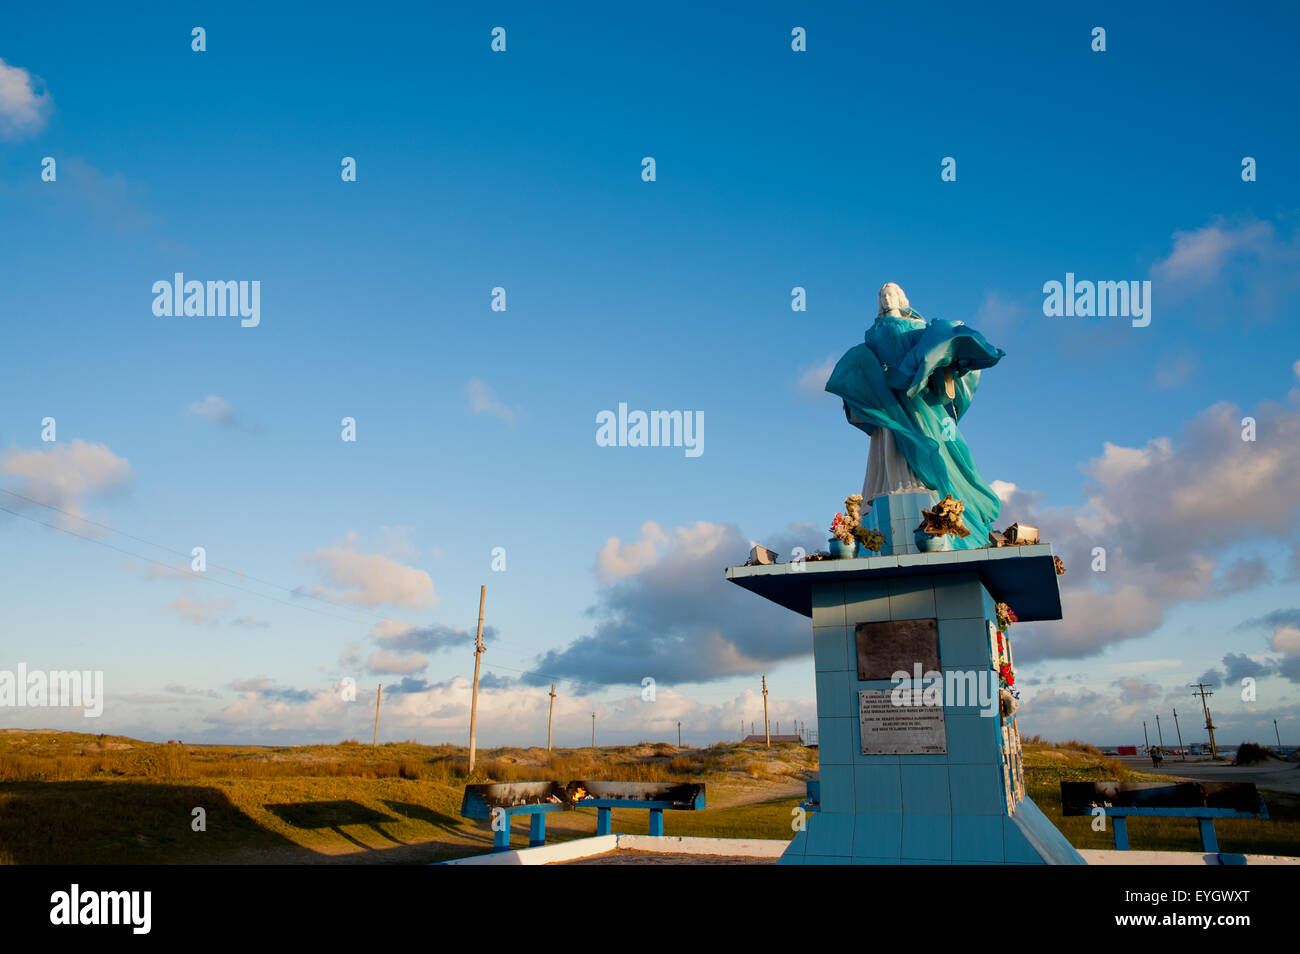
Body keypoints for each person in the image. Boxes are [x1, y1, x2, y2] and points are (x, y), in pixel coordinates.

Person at [825, 283, 1006, 547]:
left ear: (900, 299)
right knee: (891, 441)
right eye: (882, 296)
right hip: (887, 402)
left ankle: (925, 493)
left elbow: (935, 348)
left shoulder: (917, 328)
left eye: (891, 295)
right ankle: (893, 485)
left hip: (916, 402)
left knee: (934, 447)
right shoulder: (873, 333)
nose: (887, 300)